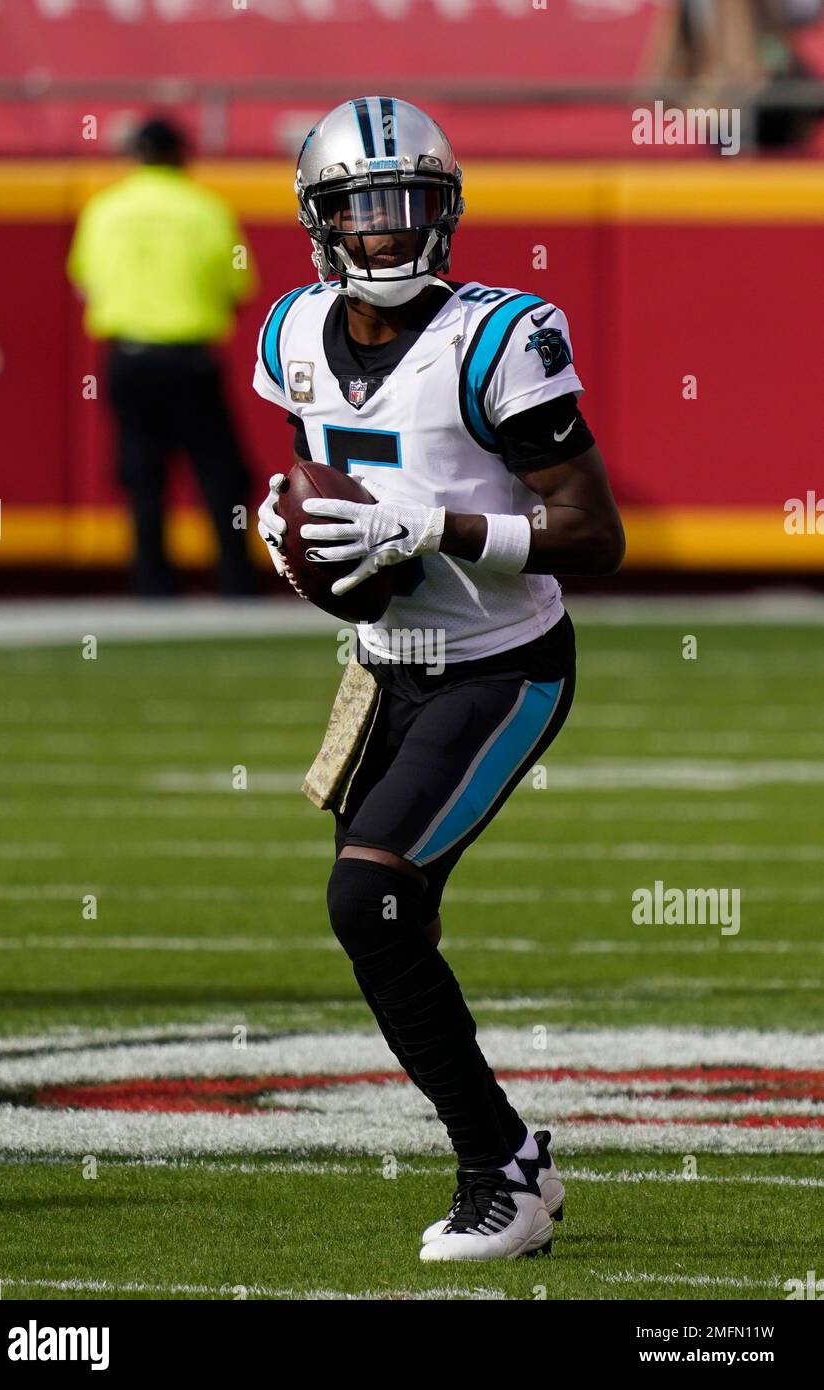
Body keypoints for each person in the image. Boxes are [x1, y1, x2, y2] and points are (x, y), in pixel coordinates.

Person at [254, 97, 625, 1262]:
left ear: (445, 210)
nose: (385, 230)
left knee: (366, 897)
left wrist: (444, 526)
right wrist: (278, 535)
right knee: (384, 923)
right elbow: (314, 491)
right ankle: (510, 1159)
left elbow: (592, 534)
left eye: (406, 204)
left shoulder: (499, 334)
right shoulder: (291, 331)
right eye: (361, 209)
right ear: (320, 222)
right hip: (382, 667)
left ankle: (496, 1178)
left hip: (499, 665)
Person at [67, 116, 258, 596]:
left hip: (128, 357)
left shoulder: (104, 208)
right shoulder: (205, 208)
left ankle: (152, 585)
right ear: (181, 154)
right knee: (219, 474)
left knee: (142, 474)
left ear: (135, 155)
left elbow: (83, 280)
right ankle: (236, 582)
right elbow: (238, 286)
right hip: (190, 359)